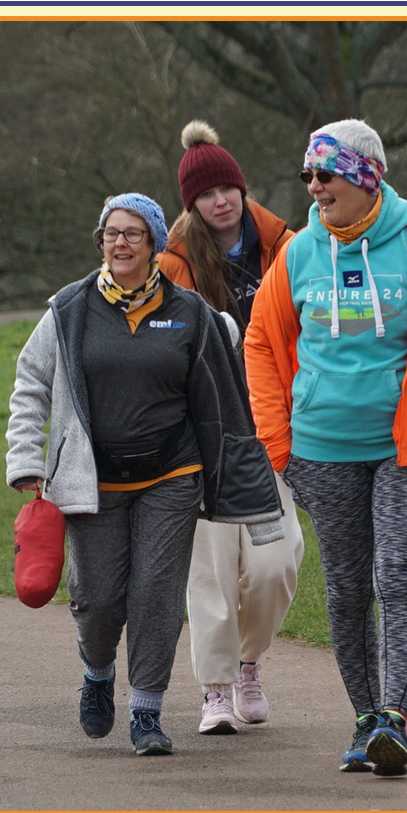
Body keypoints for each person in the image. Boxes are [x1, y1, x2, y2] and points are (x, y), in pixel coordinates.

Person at [243, 119, 407, 778]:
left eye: (326, 173)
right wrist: (278, 442)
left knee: (399, 572)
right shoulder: (298, 254)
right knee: (348, 588)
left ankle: (394, 718)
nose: (313, 185)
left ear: (364, 177)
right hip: (321, 449)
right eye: (308, 174)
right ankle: (364, 722)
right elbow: (261, 343)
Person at [5, 193, 285, 757]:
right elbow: (31, 381)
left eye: (133, 233)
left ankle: (146, 712)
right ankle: (98, 672)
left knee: (157, 595)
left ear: (155, 243)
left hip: (172, 475)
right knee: (99, 599)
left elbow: (229, 362)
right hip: (93, 481)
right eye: (111, 233)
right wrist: (27, 458)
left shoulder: (189, 312)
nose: (121, 243)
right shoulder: (70, 309)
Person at [153, 120, 306, 736]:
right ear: (191, 204)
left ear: (242, 189)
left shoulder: (287, 247)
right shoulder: (174, 263)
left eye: (228, 189)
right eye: (207, 194)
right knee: (211, 568)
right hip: (202, 436)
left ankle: (248, 662)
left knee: (276, 563)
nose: (221, 202)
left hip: (273, 427)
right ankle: (216, 689)